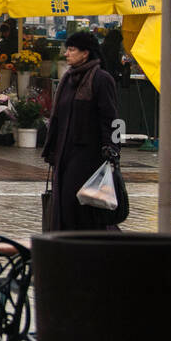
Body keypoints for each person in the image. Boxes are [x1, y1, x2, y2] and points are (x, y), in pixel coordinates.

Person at [41, 30, 122, 231]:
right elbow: (58, 117)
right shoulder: (68, 79)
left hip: (88, 157)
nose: (66, 53)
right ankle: (65, 249)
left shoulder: (101, 79)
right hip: (64, 155)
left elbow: (111, 118)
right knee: (64, 206)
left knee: (82, 206)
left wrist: (112, 148)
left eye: (71, 49)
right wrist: (51, 149)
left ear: (85, 53)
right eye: (67, 49)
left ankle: (87, 248)